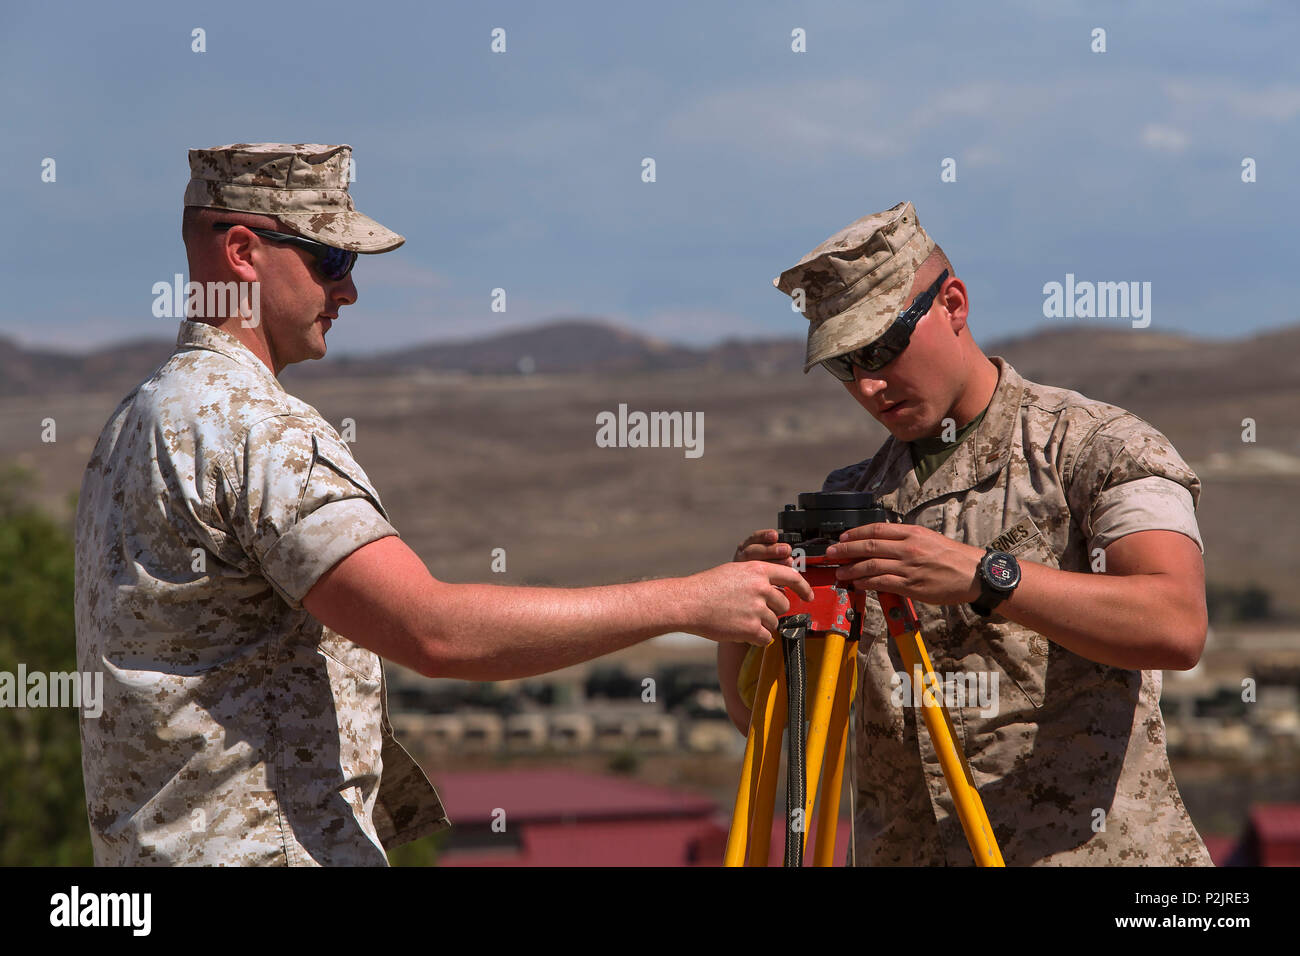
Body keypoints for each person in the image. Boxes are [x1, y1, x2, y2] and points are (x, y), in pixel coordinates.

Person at [74, 142, 811, 867]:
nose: (349, 290)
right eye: (331, 260)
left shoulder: (138, 420)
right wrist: (687, 601)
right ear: (242, 251)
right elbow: (434, 633)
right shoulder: (256, 429)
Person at [719, 201, 1213, 866]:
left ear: (952, 303)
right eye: (844, 365)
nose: (869, 384)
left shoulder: (1098, 449)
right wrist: (746, 613)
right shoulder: (849, 500)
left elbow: (1175, 624)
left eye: (883, 347)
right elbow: (772, 728)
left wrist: (987, 578)